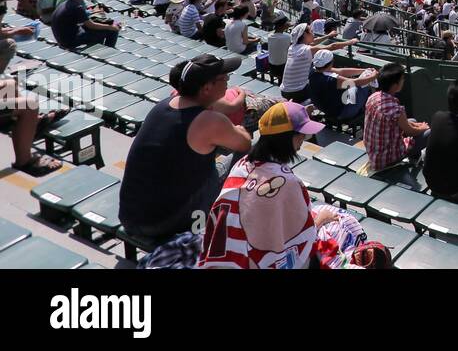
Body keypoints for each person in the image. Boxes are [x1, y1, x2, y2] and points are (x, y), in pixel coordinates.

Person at [119, 54, 252, 241]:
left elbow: (217, 106)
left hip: (131, 215)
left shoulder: (165, 104)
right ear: (206, 88)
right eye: (224, 78)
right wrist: (240, 130)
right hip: (164, 224)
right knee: (247, 153)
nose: (228, 81)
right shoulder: (209, 121)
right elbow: (244, 142)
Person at [198, 102, 332, 269]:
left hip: (226, 257)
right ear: (290, 137)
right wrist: (321, 220)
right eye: (303, 135)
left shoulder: (242, 164)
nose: (302, 141)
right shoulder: (287, 183)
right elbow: (302, 236)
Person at [364, 62, 430, 175]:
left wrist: (416, 125)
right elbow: (410, 131)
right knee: (429, 133)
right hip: (387, 158)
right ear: (395, 85)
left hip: (373, 152)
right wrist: (423, 128)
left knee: (412, 121)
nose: (403, 81)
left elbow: (405, 124)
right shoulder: (396, 109)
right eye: (402, 79)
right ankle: (413, 162)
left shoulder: (373, 97)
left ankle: (413, 157)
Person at [305, 50, 378, 123]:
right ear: (331, 62)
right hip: (342, 112)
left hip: (325, 108)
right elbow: (357, 82)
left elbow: (341, 71)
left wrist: (364, 70)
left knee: (356, 85)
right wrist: (373, 76)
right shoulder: (332, 79)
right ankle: (373, 109)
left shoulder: (313, 71)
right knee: (365, 85)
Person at [50, 0, 120, 49]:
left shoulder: (66, 3)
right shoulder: (77, 7)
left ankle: (98, 48)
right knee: (112, 30)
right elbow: (91, 25)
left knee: (98, 28)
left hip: (63, 38)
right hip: (69, 41)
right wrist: (110, 27)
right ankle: (109, 50)